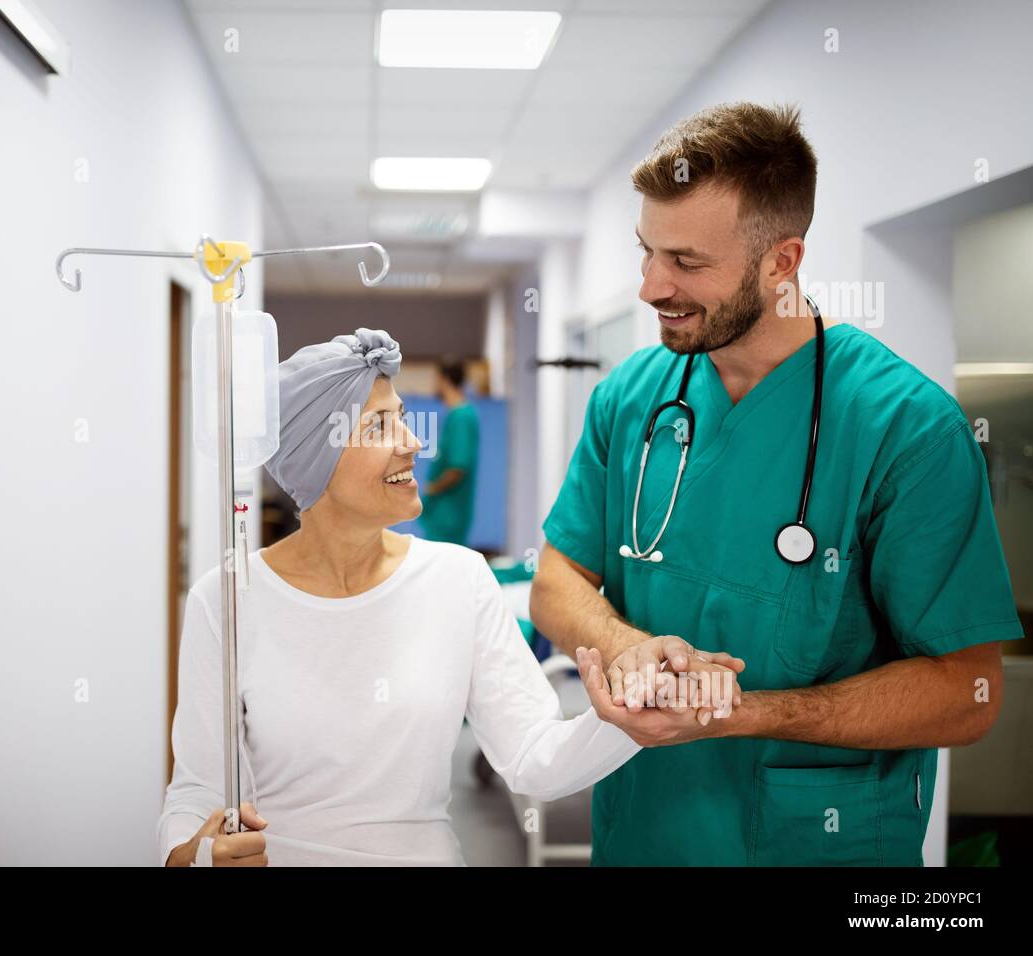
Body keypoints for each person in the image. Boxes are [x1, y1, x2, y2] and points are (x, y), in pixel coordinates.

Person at [530, 101, 1021, 866]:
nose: (651, 287)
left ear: (783, 262)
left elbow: (968, 693)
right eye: (646, 252)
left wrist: (739, 711)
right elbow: (556, 579)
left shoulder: (908, 427)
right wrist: (624, 647)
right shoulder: (632, 397)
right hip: (643, 833)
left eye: (687, 263)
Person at [158, 329, 741, 866]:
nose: (414, 442)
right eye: (381, 426)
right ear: (318, 458)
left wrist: (635, 713)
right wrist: (196, 854)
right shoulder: (228, 600)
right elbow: (196, 790)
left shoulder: (459, 579)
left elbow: (532, 756)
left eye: (404, 418)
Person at [418, 359, 480, 545]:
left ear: (444, 380)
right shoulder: (455, 415)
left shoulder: (462, 417)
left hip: (448, 513)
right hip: (443, 512)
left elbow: (457, 467)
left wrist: (432, 488)